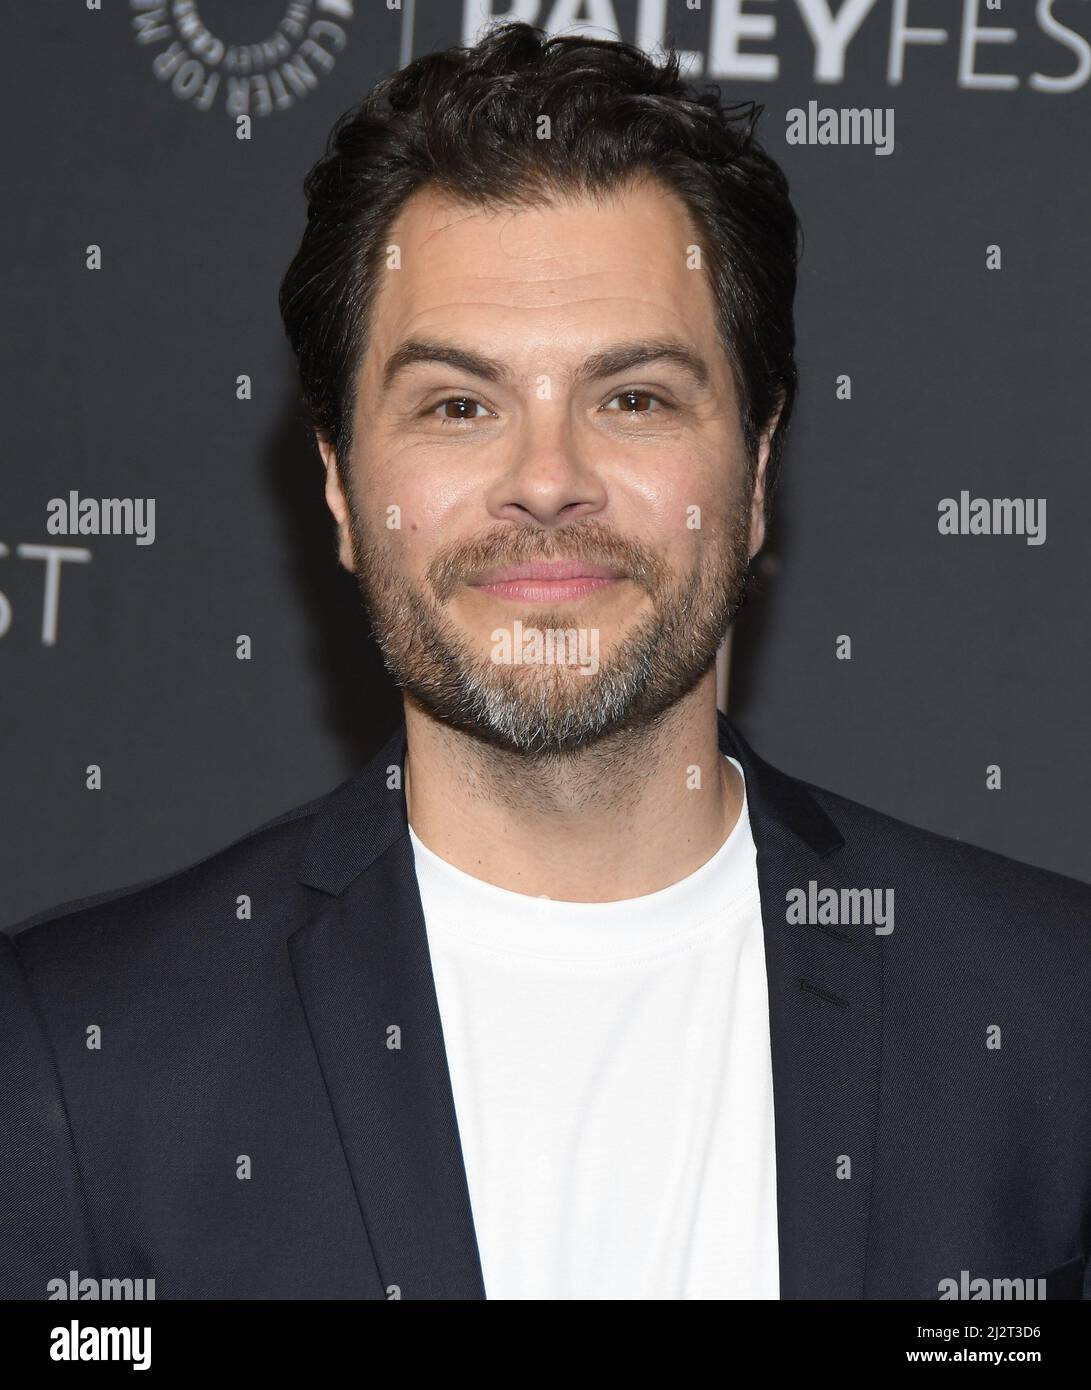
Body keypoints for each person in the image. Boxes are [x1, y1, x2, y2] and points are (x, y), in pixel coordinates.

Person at [2, 22, 1088, 1302]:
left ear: (752, 470)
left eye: (630, 396)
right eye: (457, 405)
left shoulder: (1047, 1014)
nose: (547, 482)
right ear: (341, 486)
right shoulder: (75, 1055)